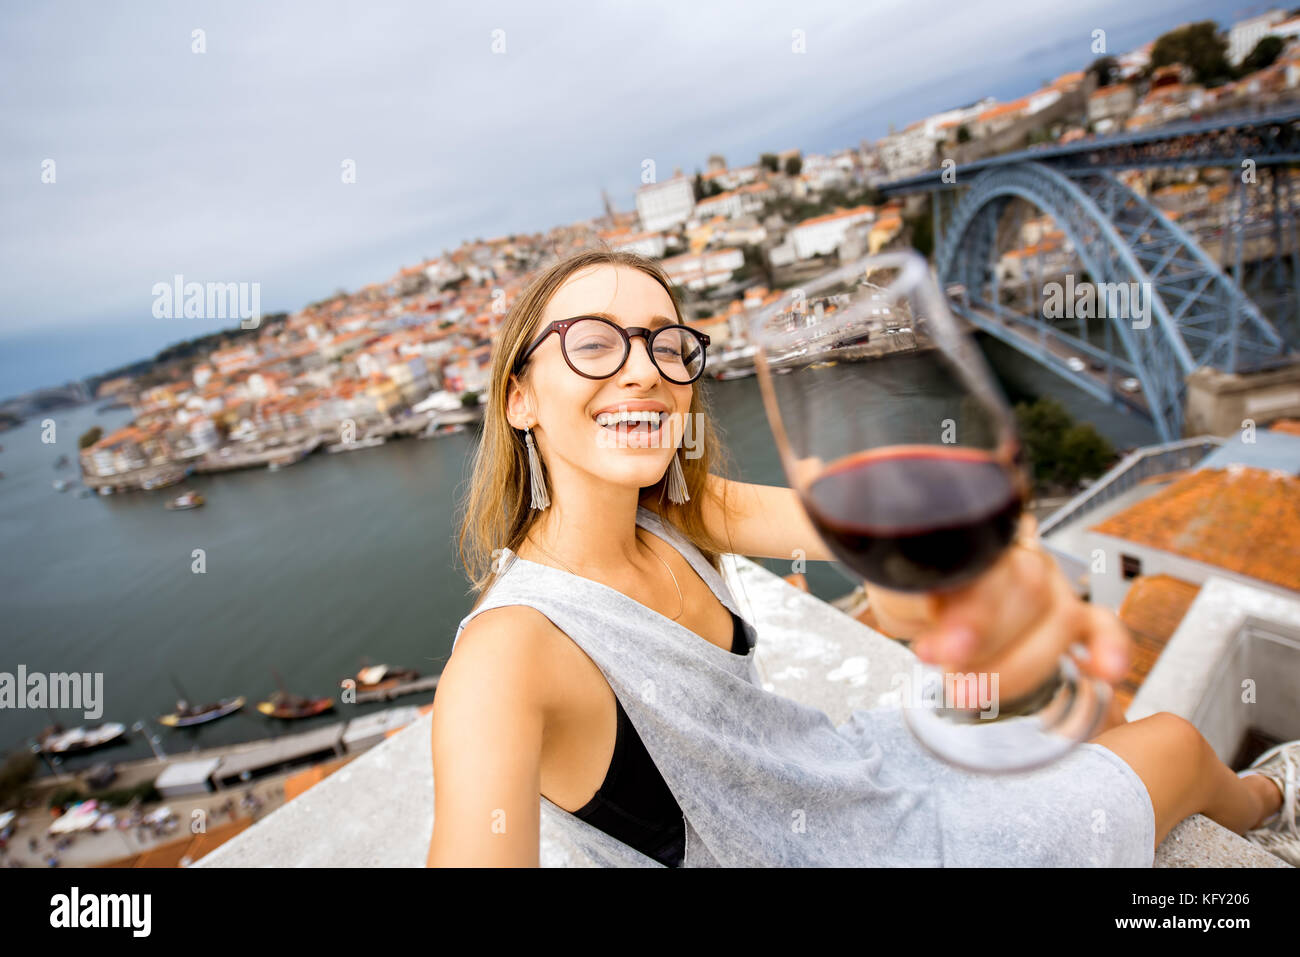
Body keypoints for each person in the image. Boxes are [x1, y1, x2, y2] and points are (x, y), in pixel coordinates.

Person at [427, 247, 1294, 868]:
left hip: (830, 775)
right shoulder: (508, 653)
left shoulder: (676, 515)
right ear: (519, 397)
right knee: (1174, 744)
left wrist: (985, 550)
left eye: (666, 342)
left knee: (1082, 701)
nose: (644, 370)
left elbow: (859, 521)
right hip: (841, 849)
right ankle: (1272, 807)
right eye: (592, 343)